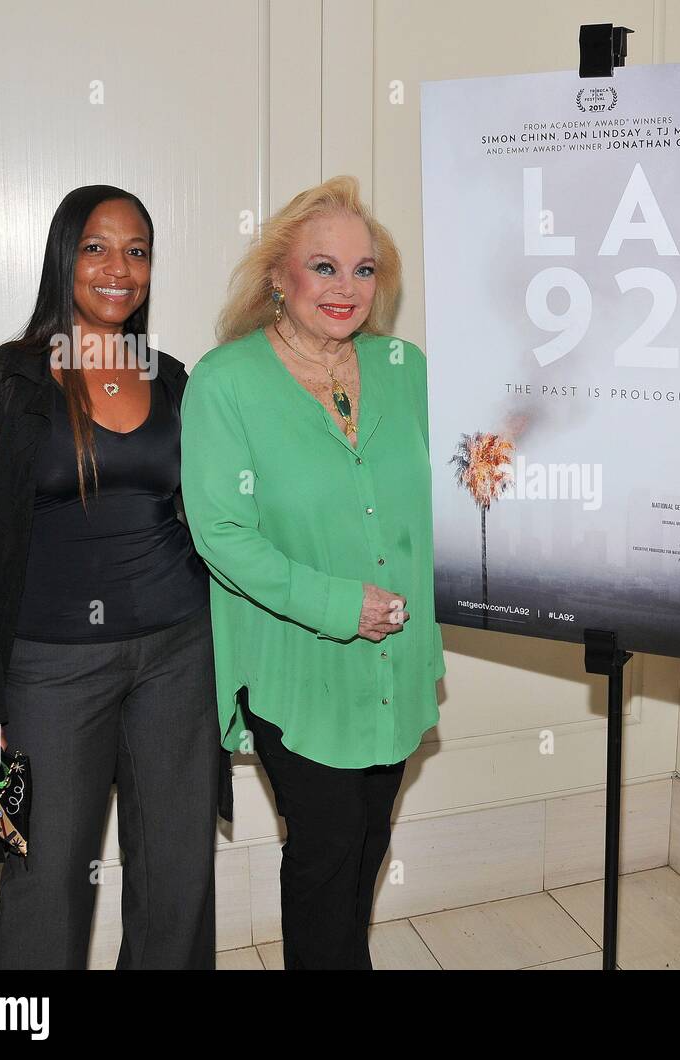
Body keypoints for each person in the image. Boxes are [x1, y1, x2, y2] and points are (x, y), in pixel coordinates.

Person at [0, 185, 221, 968]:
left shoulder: (169, 377)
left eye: (138, 250)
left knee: (178, 875)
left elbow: (211, 513)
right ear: (64, 257)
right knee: (44, 875)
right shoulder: (2, 381)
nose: (119, 268)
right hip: (47, 670)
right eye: (97, 247)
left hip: (178, 653)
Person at [180, 175, 444, 970]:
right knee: (327, 852)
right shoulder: (226, 382)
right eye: (323, 266)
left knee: (366, 840)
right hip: (298, 669)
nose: (346, 287)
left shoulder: (405, 367)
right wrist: (339, 605)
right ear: (277, 277)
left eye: (364, 270)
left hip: (394, 661)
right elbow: (222, 533)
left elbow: (449, 488)